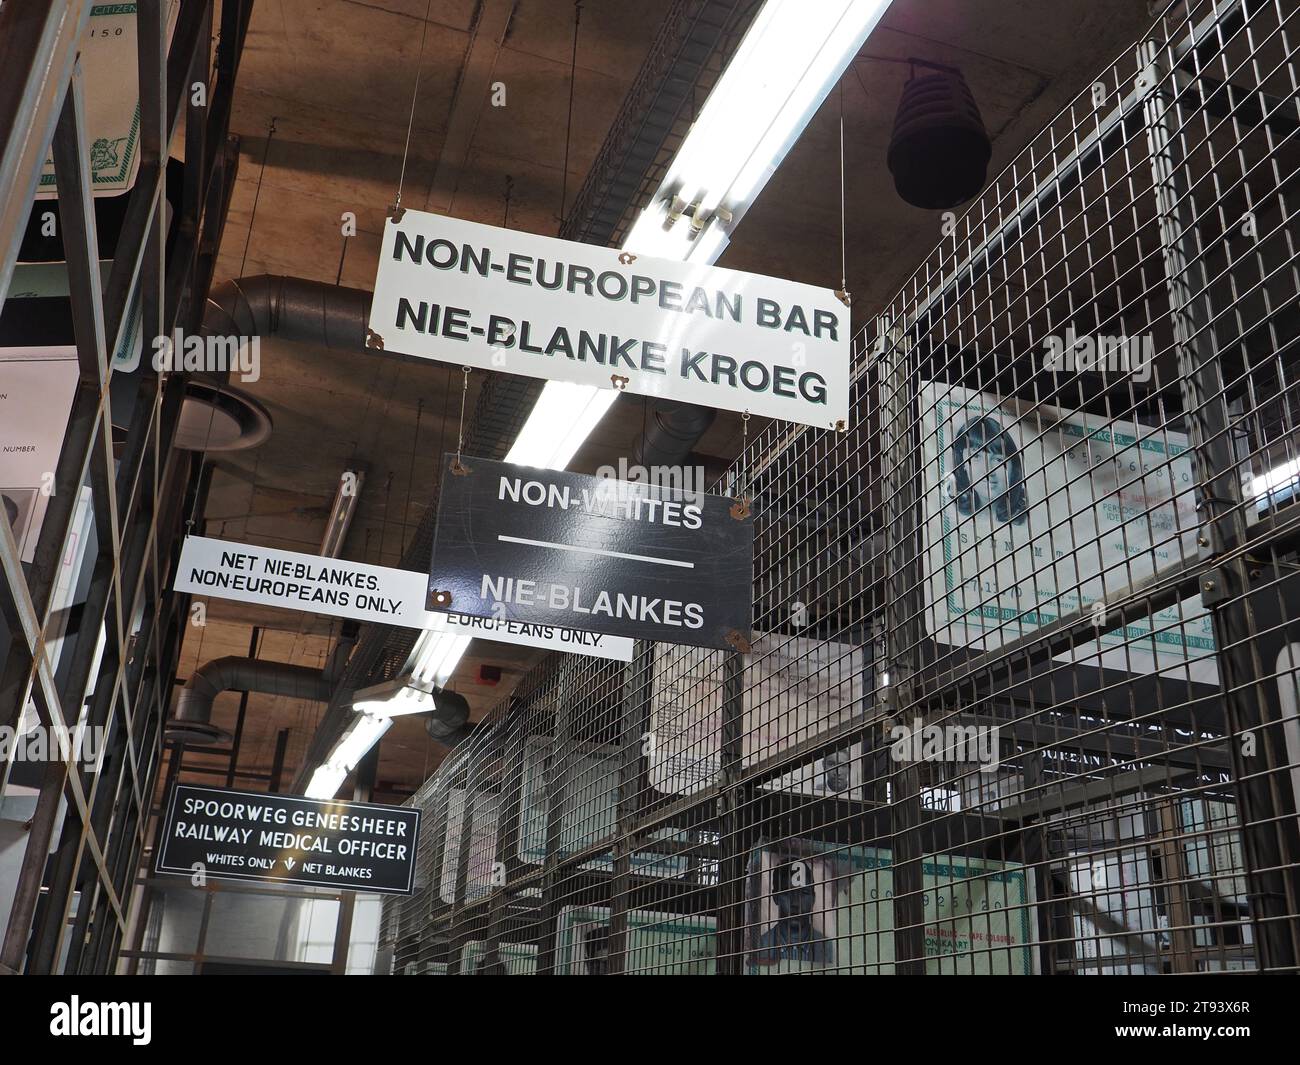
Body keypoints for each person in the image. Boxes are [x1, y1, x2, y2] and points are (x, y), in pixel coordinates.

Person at [949, 415, 1029, 525]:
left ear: (1013, 469)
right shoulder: (951, 511)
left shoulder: (1026, 519)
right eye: (976, 456)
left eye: (998, 459)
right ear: (962, 464)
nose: (988, 471)